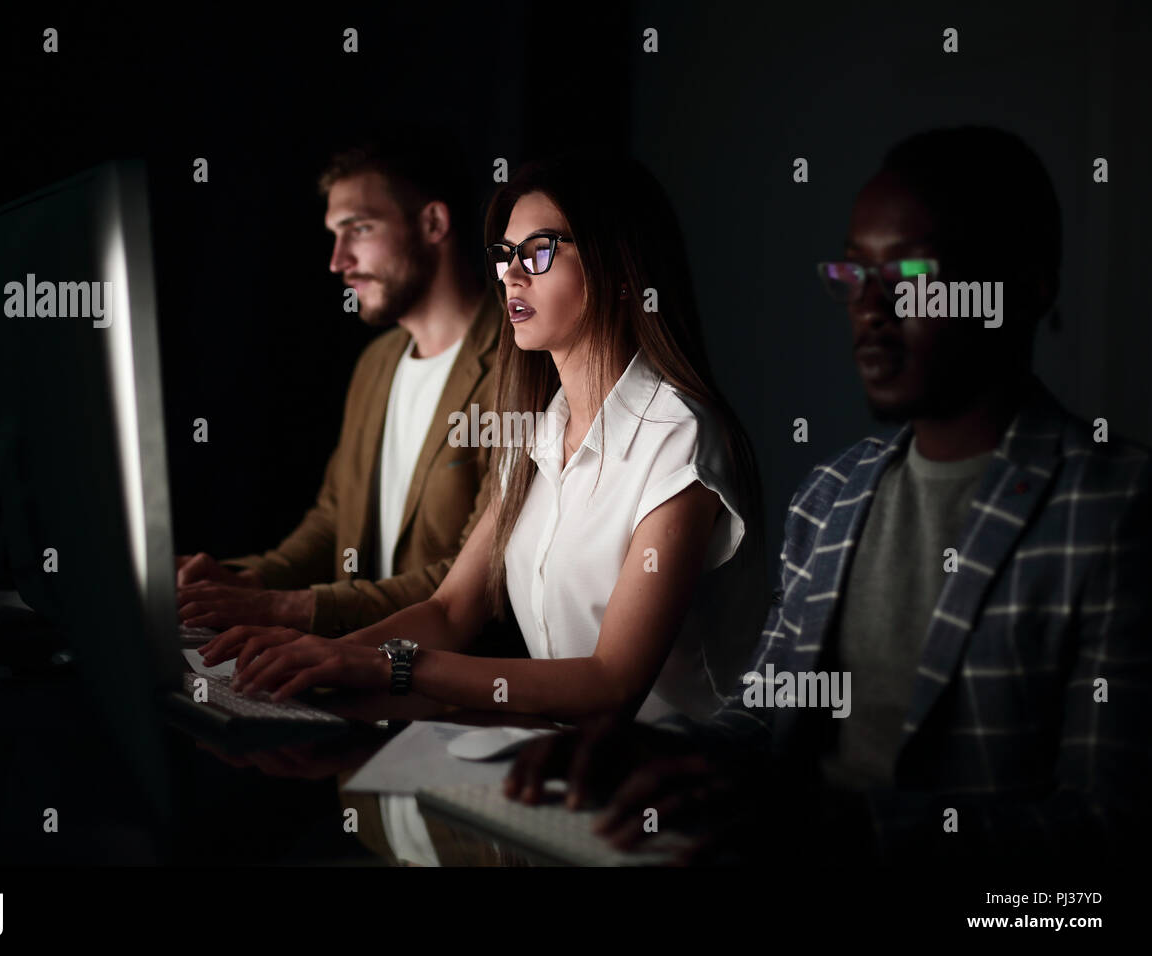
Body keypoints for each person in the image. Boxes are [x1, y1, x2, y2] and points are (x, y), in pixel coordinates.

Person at [504, 126, 1152, 868]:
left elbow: (1111, 832)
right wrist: (646, 751)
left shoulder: (1113, 509)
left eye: (911, 273)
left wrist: (834, 826)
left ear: (1029, 287)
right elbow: (764, 719)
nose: (870, 307)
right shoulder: (835, 494)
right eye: (854, 274)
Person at [199, 153, 768, 724]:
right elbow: (448, 611)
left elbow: (610, 682)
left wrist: (388, 666)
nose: (511, 276)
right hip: (560, 770)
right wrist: (324, 654)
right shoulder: (536, 430)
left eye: (539, 252)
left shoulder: (679, 438)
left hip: (678, 788)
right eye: (504, 254)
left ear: (621, 274)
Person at [175, 132, 504, 638]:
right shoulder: (376, 363)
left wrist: (282, 610)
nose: (337, 261)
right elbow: (333, 519)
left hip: (453, 695)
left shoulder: (519, 365)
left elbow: (471, 583)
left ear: (433, 222)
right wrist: (247, 580)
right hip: (358, 675)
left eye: (360, 228)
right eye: (334, 234)